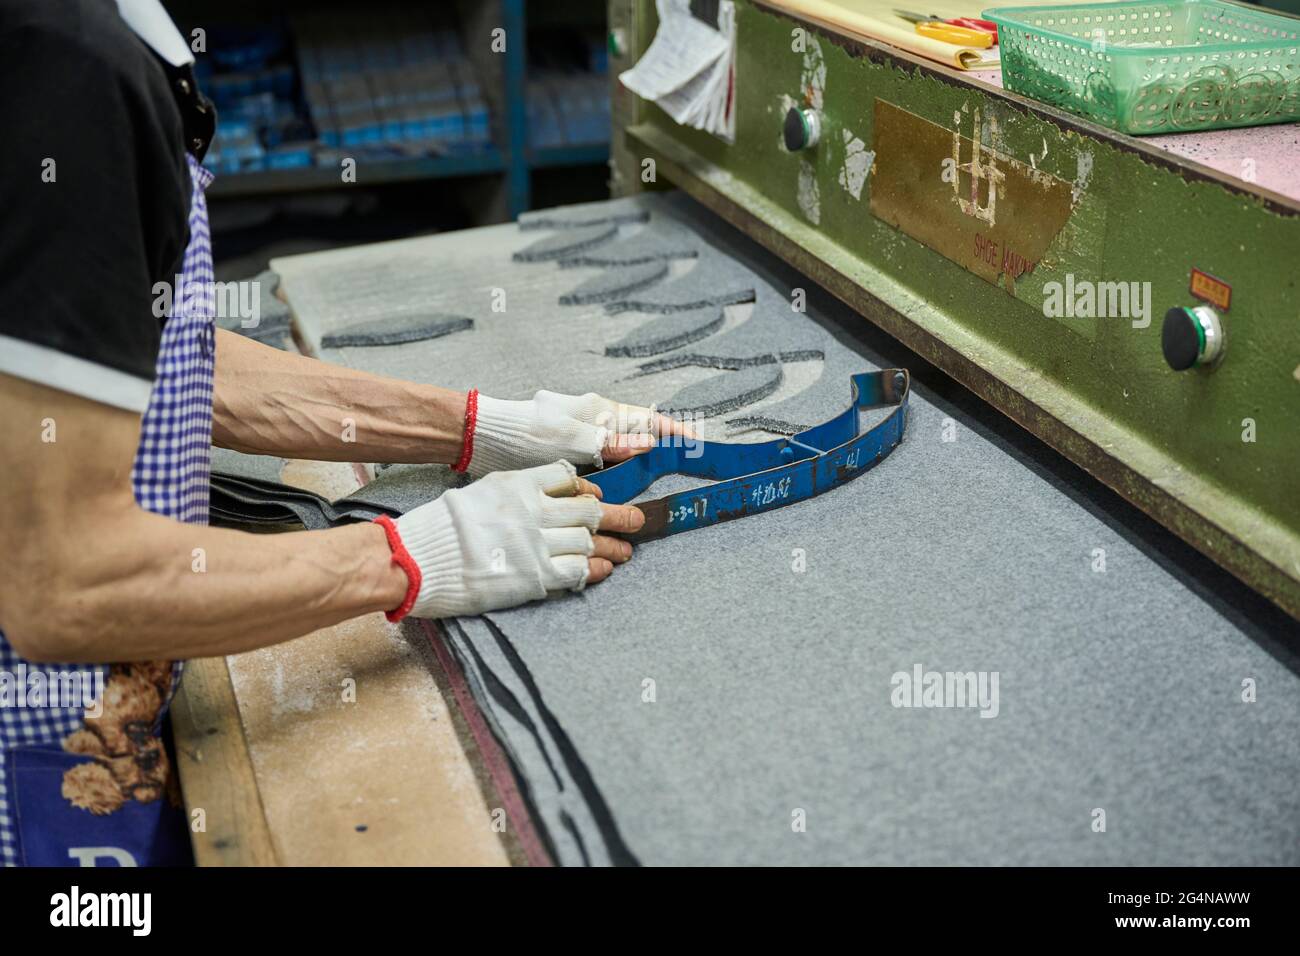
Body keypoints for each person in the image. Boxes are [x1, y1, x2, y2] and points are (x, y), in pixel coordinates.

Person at [0, 0, 683, 866]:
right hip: (40, 777)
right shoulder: (65, 62)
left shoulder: (92, 39)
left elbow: (159, 351)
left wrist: (479, 427)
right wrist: (409, 559)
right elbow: (66, 582)